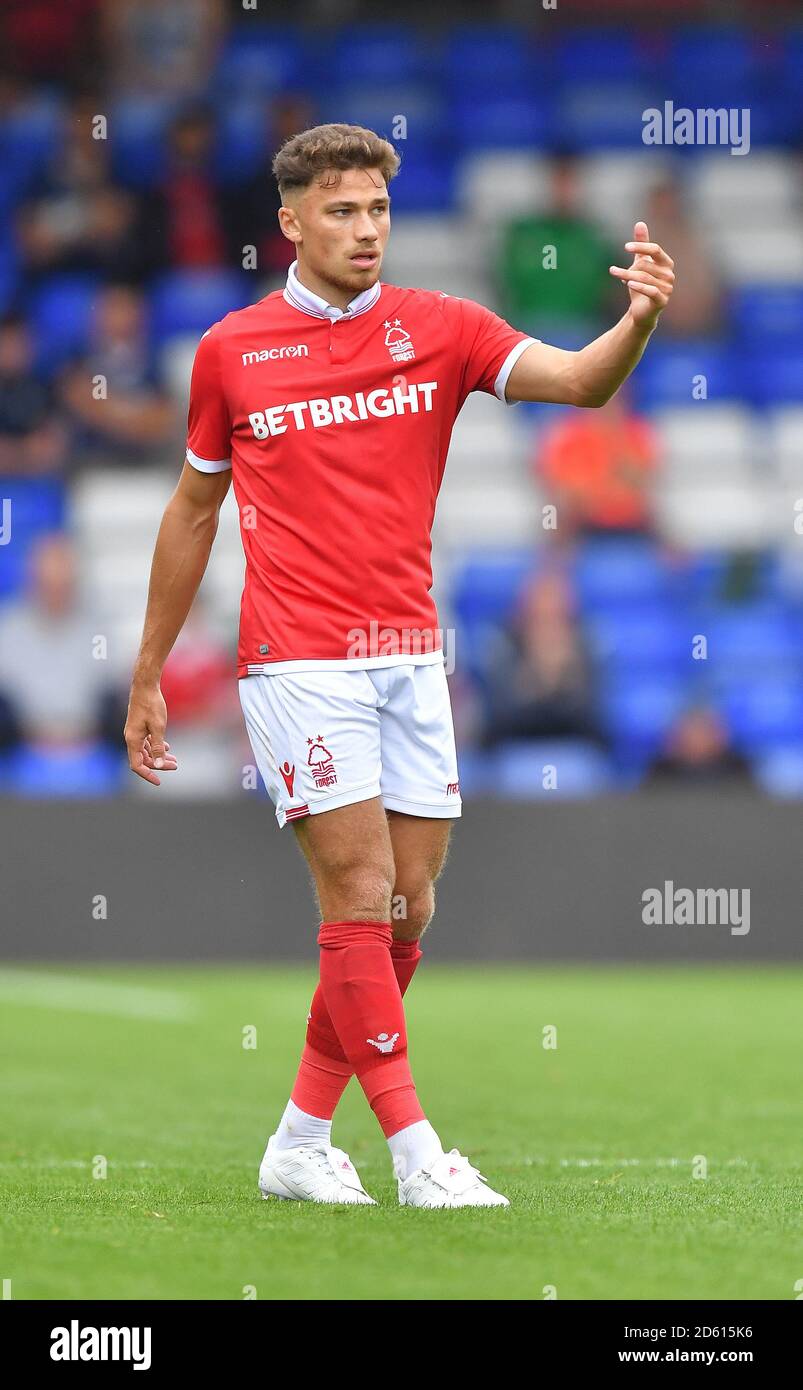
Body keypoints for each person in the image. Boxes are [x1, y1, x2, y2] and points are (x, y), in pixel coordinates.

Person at [124, 122, 675, 1209]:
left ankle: (295, 1140)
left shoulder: (441, 328)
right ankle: (418, 1151)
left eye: (376, 208)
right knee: (359, 886)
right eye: (341, 210)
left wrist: (638, 321)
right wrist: (147, 668)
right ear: (290, 222)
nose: (365, 228)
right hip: (297, 660)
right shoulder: (231, 350)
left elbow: (577, 383)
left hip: (408, 654)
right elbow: (193, 510)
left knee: (407, 910)